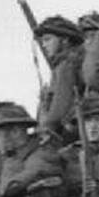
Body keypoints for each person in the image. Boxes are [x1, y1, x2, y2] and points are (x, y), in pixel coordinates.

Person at [33, 15, 85, 145]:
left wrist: (46, 127)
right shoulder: (74, 60)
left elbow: (60, 107)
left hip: (69, 130)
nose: (44, 45)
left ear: (65, 40)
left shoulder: (66, 65)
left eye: (48, 39)